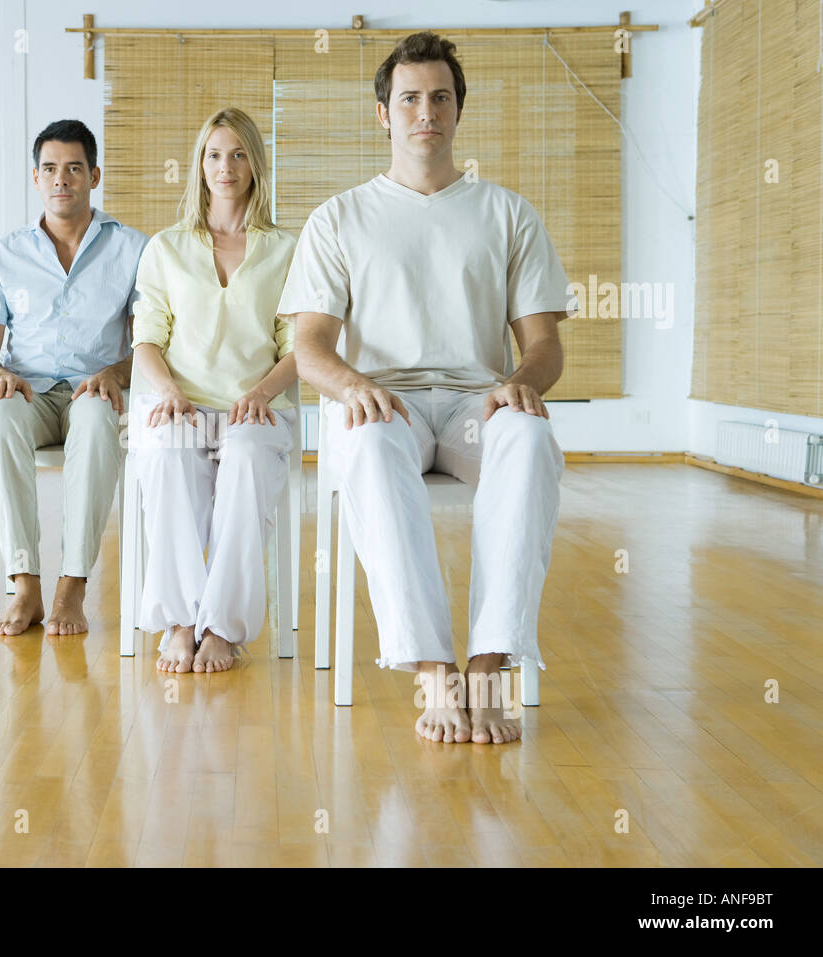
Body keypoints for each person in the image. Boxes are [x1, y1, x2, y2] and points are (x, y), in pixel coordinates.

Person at [282, 31, 572, 744]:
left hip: (479, 401)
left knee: (531, 439)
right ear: (384, 113)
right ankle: (435, 671)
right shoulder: (339, 218)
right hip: (389, 403)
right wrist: (353, 386)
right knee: (371, 445)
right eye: (409, 98)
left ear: (457, 111)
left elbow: (545, 344)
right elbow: (309, 345)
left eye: (440, 97)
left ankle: (488, 664)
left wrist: (520, 383)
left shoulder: (508, 213)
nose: (425, 112)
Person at [130, 108, 297, 674]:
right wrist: (169, 392)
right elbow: (147, 340)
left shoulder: (285, 249)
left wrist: (263, 394)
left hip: (258, 408)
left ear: (255, 163)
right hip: (182, 401)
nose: (226, 166)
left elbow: (298, 345)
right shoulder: (166, 248)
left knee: (248, 462)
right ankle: (181, 621)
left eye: (238, 154)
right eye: (214, 154)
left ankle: (222, 626)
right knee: (169, 456)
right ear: (200, 165)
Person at [0, 119, 147, 636]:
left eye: (73, 168)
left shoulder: (133, 249)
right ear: (35, 177)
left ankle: (72, 585)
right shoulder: (3, 255)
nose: (61, 179)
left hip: (97, 389)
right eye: (49, 169)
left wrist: (115, 372)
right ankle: (25, 584)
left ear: (94, 175)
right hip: (30, 393)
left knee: (94, 414)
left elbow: (153, 343)